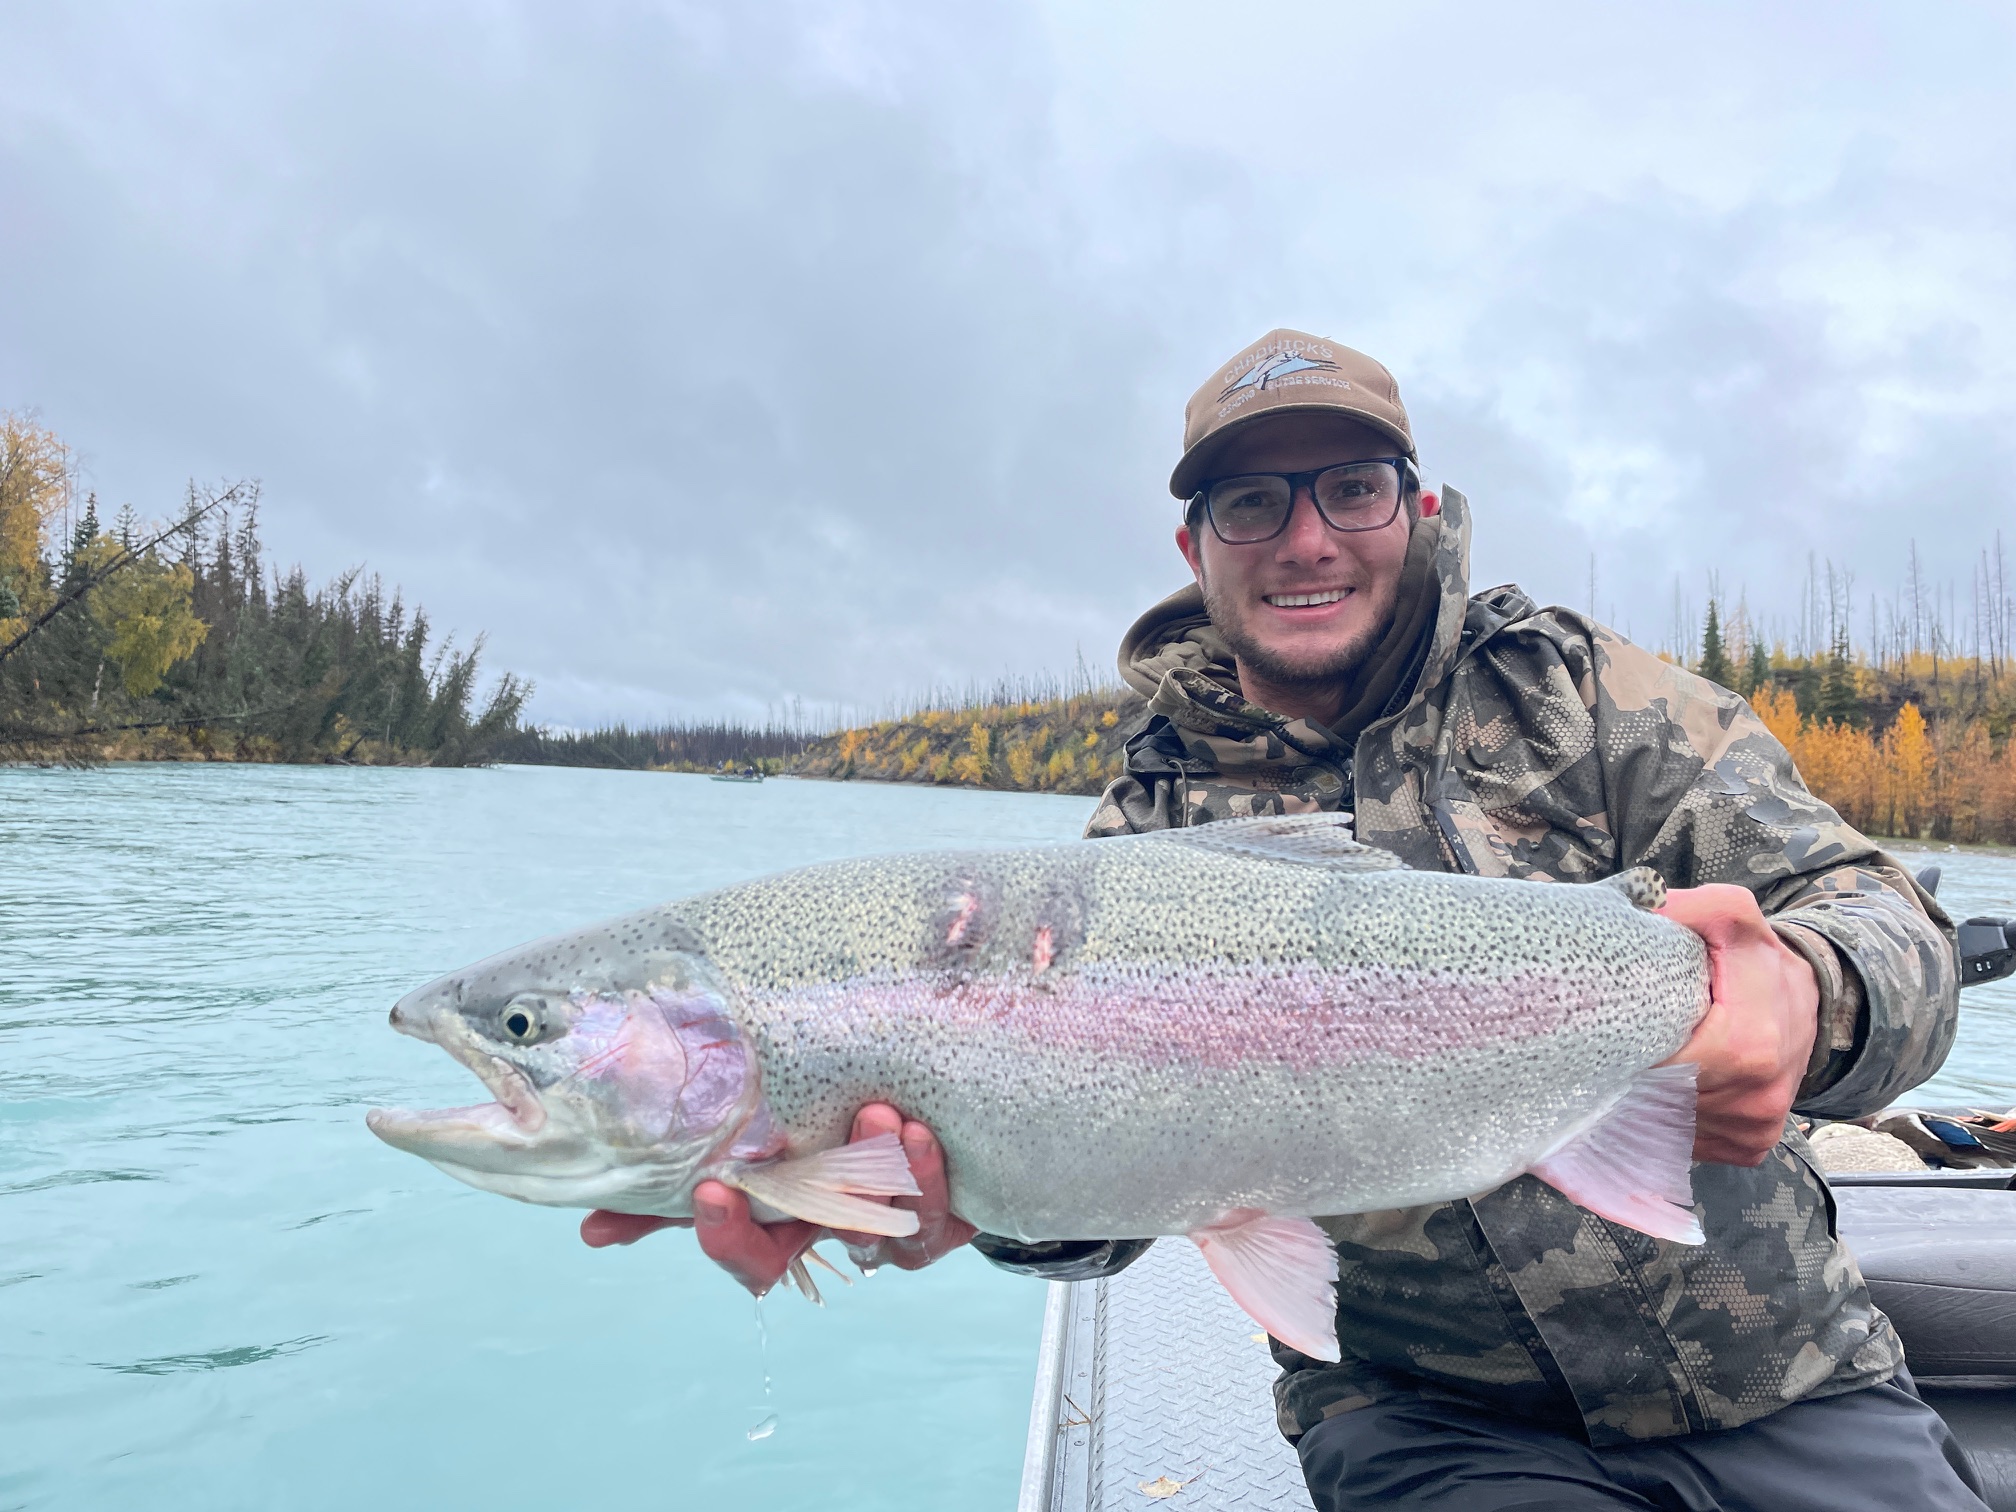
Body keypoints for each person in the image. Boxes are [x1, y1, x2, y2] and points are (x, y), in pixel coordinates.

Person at [584, 330, 1982, 1510]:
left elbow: (1896, 933)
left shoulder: (1601, 703)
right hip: (1435, 1420)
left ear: (1416, 511)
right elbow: (1103, 1217)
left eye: (1350, 489)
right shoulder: (1145, 838)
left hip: (1781, 1366)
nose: (1306, 538)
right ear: (1197, 547)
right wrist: (964, 1197)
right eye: (1253, 505)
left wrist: (1806, 987)